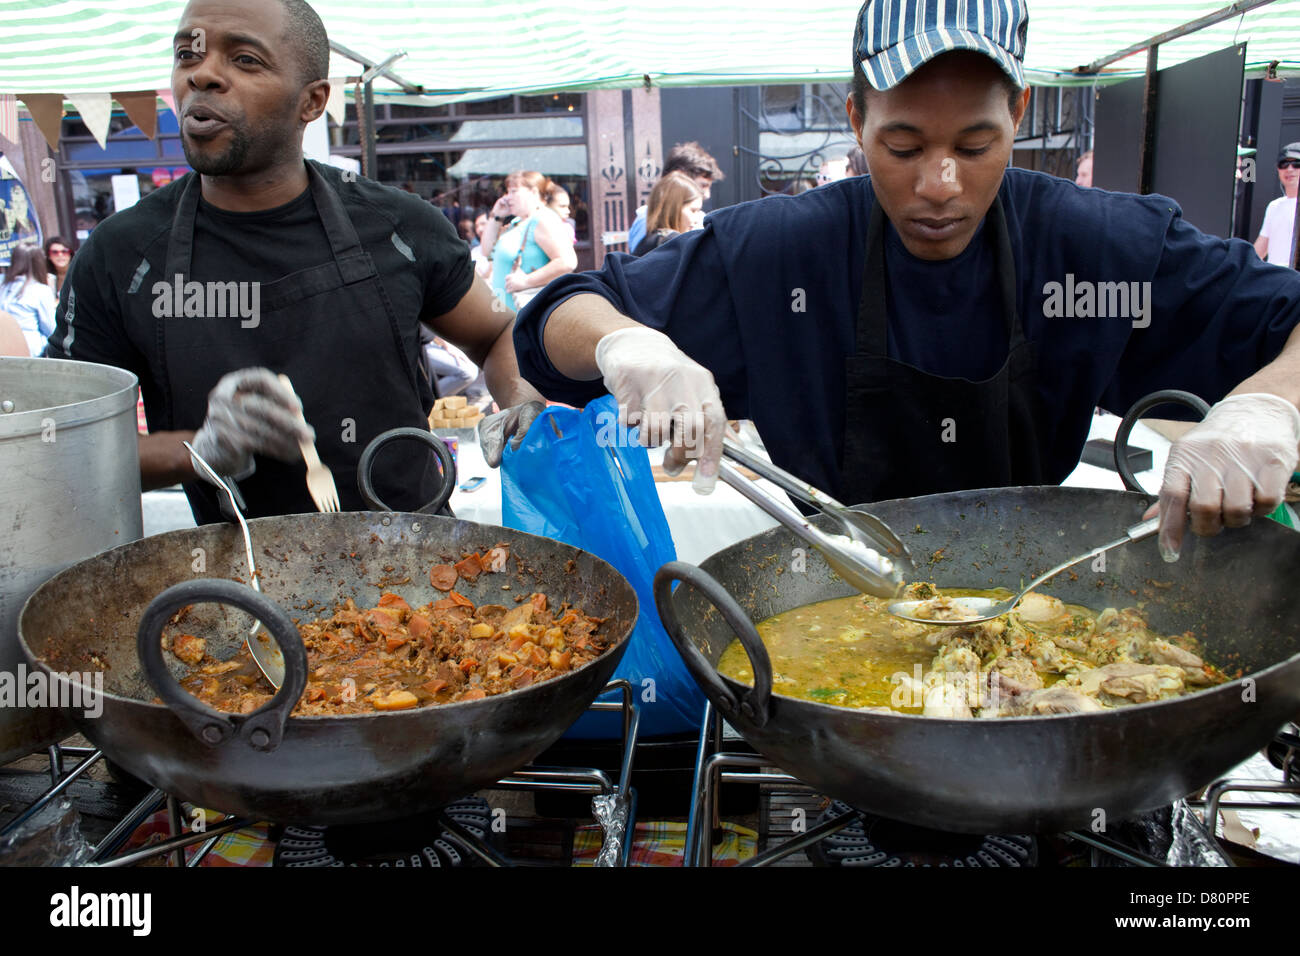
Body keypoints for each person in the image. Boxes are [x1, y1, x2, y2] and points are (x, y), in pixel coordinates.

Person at [513, 0, 1300, 565]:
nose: (940, 185)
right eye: (904, 145)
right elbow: (554, 317)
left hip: (1045, 600)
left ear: (1020, 112)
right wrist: (627, 341)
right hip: (838, 593)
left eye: (975, 143)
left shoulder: (1091, 244)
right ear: (857, 120)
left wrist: (1269, 406)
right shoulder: (783, 250)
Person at [45, 0, 545, 523]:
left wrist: (518, 401)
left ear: (312, 101)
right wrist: (200, 449)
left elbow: (495, 334)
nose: (204, 75)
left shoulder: (399, 226)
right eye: (187, 55)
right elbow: (65, 445)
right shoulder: (119, 255)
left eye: (244, 60)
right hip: (237, 577)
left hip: (422, 566)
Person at [479, 170, 576, 313]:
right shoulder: (517, 222)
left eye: (513, 191)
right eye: (507, 192)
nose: (507, 197)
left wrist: (526, 281)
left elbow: (567, 261)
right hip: (504, 314)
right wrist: (496, 216)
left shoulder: (543, 219)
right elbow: (487, 251)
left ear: (533, 192)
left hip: (523, 314)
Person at [626, 142, 724, 253]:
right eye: (703, 186)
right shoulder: (646, 220)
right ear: (679, 177)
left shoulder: (698, 218)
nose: (707, 194)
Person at [0, 242, 57, 357]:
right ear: (39, 262)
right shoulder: (41, 290)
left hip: (3, 348)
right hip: (31, 351)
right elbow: (51, 330)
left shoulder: (2, 285)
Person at [631, 172, 704, 256]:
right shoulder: (672, 242)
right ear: (673, 209)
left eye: (698, 211)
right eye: (693, 211)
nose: (697, 219)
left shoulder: (651, 240)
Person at [1254, 143, 1299, 266]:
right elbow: (1260, 249)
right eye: (1283, 164)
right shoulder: (1274, 206)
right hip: (1274, 278)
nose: (1289, 169)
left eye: (1296, 164)